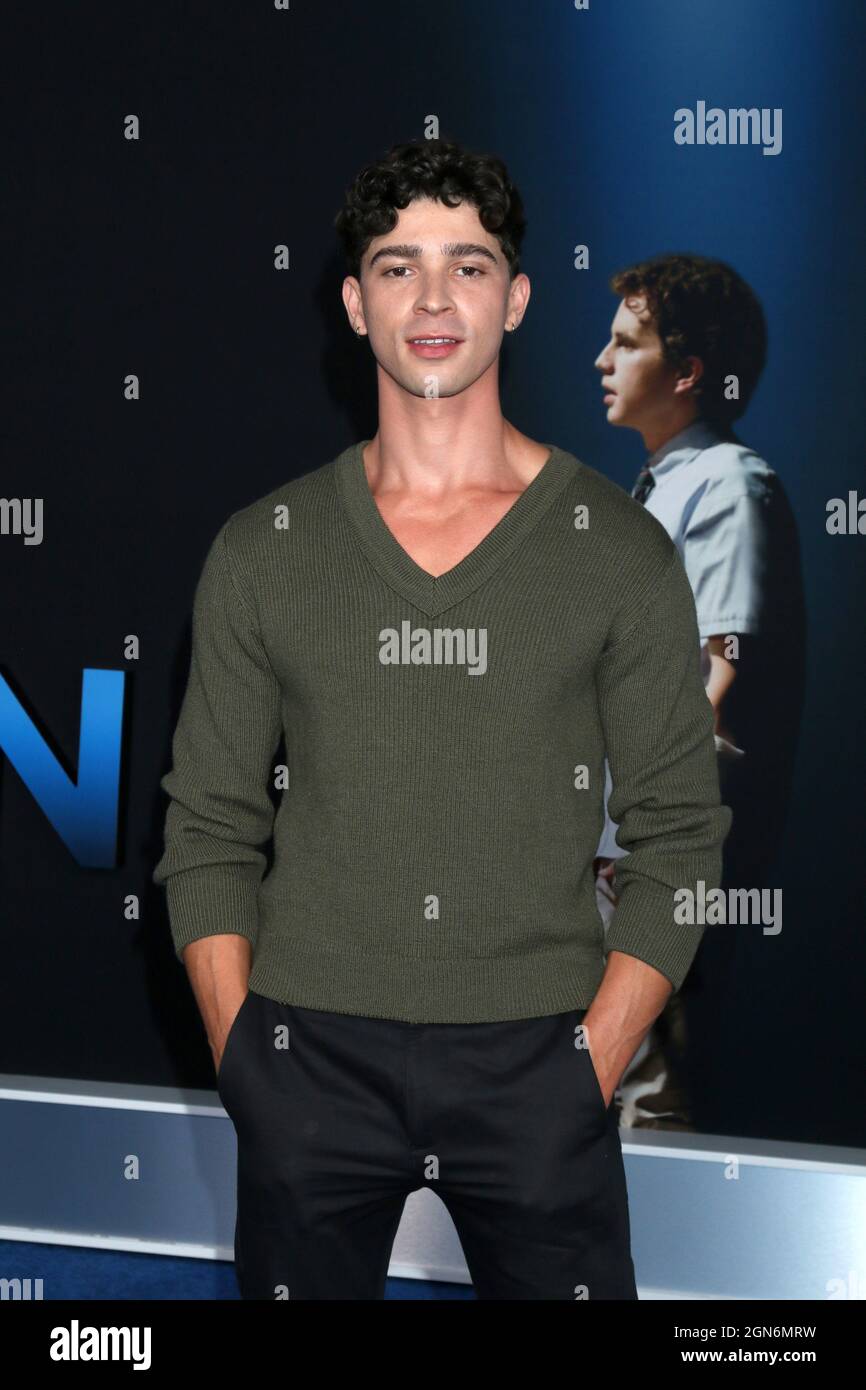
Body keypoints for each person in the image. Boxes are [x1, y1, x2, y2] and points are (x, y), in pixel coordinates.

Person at [153, 141, 731, 1300]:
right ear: (353, 303)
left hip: (541, 1058)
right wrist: (243, 1063)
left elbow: (677, 839)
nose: (429, 299)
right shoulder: (263, 552)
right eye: (396, 265)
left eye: (464, 266)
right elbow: (209, 831)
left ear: (513, 299)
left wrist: (590, 1060)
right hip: (303, 1054)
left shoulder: (614, 553)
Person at [593, 253, 806, 1132]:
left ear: (686, 372)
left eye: (625, 343)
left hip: (655, 865)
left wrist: (632, 863)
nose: (600, 360)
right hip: (616, 853)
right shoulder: (662, 490)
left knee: (646, 1102)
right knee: (604, 1099)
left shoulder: (727, 484)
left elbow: (718, 685)